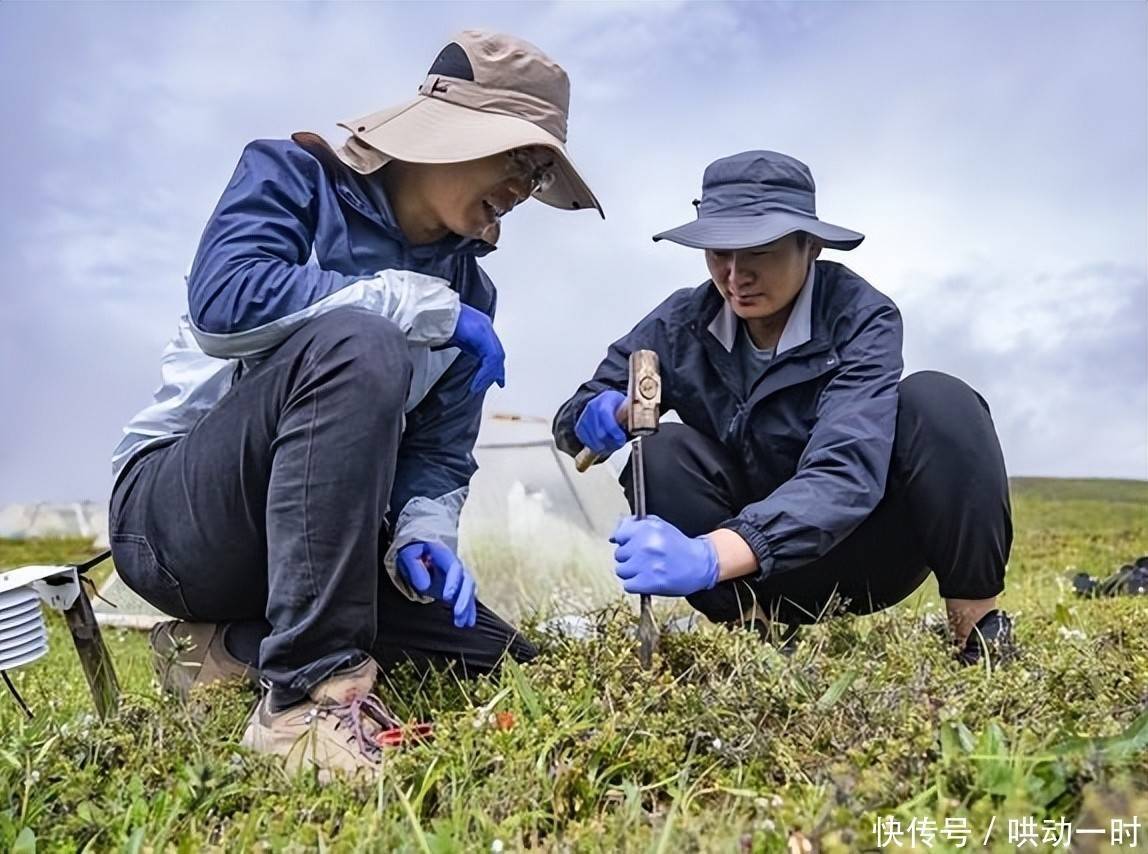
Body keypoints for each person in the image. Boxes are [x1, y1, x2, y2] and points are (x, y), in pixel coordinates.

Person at [108, 30, 602, 780]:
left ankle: (219, 651)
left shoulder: (474, 293)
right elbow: (226, 305)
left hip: (314, 548)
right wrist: (416, 306)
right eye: (515, 158)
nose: (521, 189)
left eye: (536, 174)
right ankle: (305, 700)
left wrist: (420, 535)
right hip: (181, 522)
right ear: (455, 129)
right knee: (362, 343)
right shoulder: (292, 175)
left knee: (496, 658)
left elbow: (437, 452)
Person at [553, 151, 1014, 665]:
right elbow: (572, 420)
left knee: (941, 402)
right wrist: (598, 417)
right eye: (718, 252)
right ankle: (758, 642)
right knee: (660, 454)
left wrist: (708, 555)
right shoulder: (678, 326)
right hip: (749, 576)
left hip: (867, 555)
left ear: (810, 245)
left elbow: (845, 472)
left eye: (759, 250)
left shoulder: (861, 318)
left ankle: (978, 638)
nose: (734, 275)